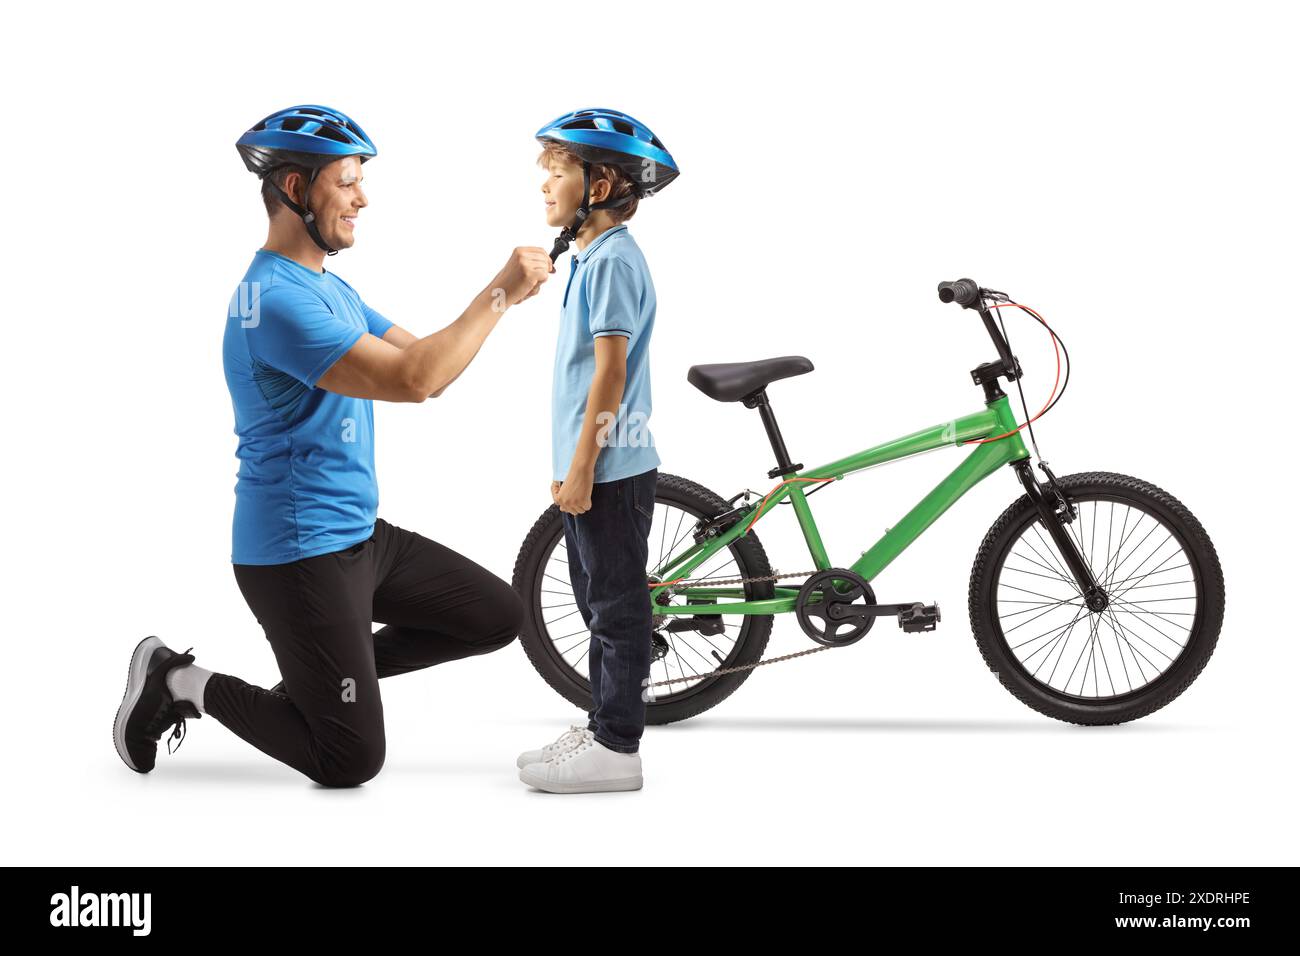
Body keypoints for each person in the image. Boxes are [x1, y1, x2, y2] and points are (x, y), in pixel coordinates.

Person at [113, 105, 553, 787]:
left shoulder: (327, 288)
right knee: (348, 760)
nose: (362, 198)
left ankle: (323, 678)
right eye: (346, 182)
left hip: (357, 538)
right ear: (294, 188)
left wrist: (503, 306)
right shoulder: (275, 301)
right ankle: (177, 680)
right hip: (297, 554)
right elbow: (413, 380)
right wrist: (497, 292)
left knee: (496, 615)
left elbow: (427, 360)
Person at [516, 108, 680, 793]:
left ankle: (619, 748)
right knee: (596, 606)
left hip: (608, 468)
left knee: (617, 608)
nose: (544, 182)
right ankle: (599, 722)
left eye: (557, 169)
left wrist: (583, 467)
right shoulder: (590, 258)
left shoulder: (613, 262)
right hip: (590, 466)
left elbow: (610, 374)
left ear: (602, 180)